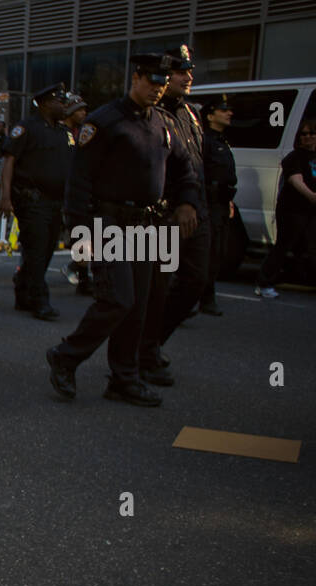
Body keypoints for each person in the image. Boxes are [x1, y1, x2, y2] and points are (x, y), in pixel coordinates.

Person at [46, 54, 200, 408]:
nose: (157, 90)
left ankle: (123, 379)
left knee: (139, 307)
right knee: (118, 299)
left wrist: (188, 201)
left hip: (148, 225)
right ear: (136, 78)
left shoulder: (162, 123)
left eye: (163, 84)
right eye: (151, 82)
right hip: (109, 224)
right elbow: (79, 181)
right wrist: (80, 234)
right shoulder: (105, 122)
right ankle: (66, 356)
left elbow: (183, 168)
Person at [139, 45, 211, 387]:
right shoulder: (153, 115)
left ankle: (150, 344)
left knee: (194, 282)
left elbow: (196, 163)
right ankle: (144, 352)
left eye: (189, 71)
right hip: (164, 216)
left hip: (196, 209)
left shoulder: (190, 113)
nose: (188, 77)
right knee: (156, 289)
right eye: (180, 72)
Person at [0, 83, 72, 321]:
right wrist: (6, 196)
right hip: (32, 200)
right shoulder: (26, 128)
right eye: (58, 102)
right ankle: (40, 300)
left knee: (46, 249)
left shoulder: (63, 132)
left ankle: (23, 292)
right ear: (43, 104)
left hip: (55, 202)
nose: (63, 106)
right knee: (37, 250)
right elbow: (9, 160)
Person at [255, 117, 316, 297]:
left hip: (315, 209)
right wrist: (311, 196)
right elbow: (295, 180)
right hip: (292, 209)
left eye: (312, 133)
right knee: (283, 246)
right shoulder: (293, 157)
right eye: (303, 134)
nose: (307, 137)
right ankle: (263, 284)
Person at [199, 95, 237, 315]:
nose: (229, 113)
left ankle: (205, 296)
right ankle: (203, 297)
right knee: (207, 252)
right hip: (209, 202)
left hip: (222, 202)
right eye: (224, 110)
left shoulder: (222, 141)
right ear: (211, 115)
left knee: (218, 252)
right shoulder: (205, 141)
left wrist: (229, 200)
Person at [61, 93, 93, 294]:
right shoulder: (61, 133)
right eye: (79, 109)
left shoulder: (83, 132)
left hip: (81, 191)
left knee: (86, 236)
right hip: (65, 194)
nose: (83, 113)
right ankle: (78, 270)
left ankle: (80, 273)